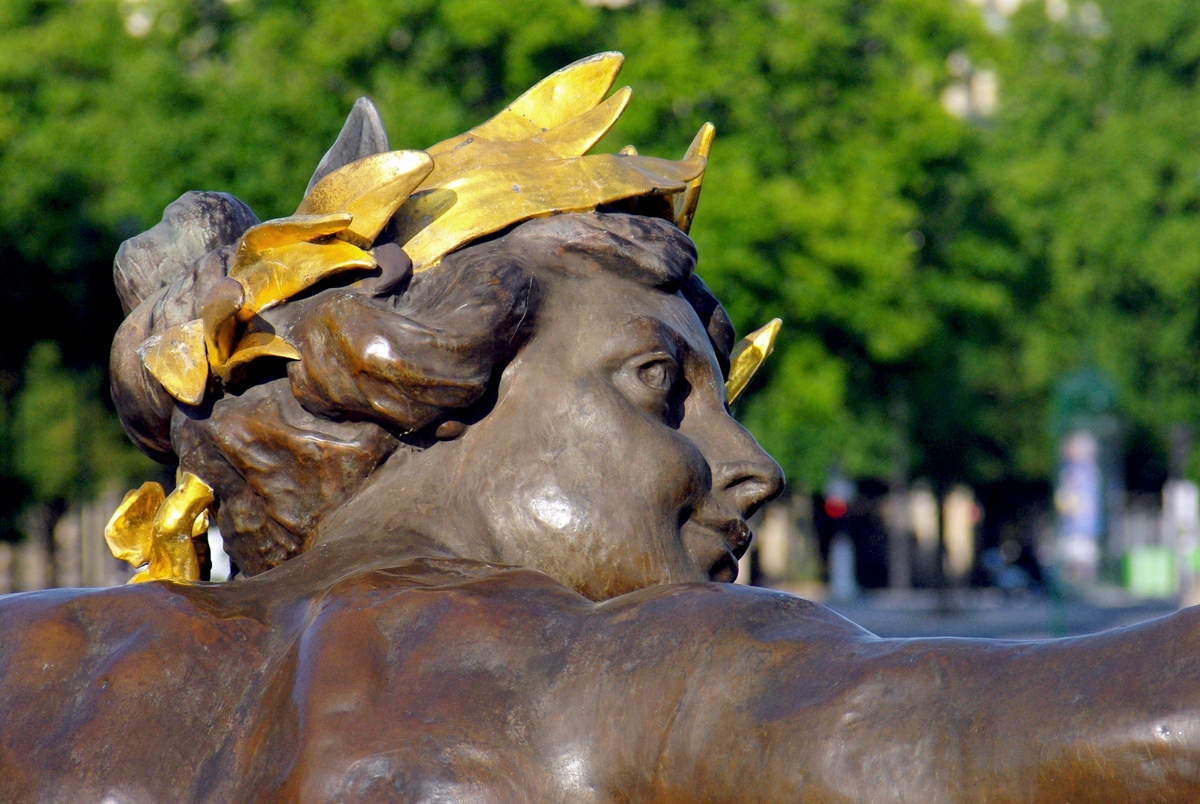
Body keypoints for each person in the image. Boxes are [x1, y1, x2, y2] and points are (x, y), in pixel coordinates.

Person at [3, 54, 1200, 803]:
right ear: (434, 384)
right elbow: (957, 735)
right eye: (656, 382)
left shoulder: (35, 656)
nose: (756, 468)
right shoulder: (589, 675)